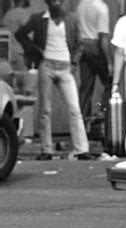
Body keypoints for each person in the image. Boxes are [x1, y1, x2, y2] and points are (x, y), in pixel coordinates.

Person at [15, 0, 92, 160]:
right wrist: (34, 52)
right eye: (53, 2)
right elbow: (20, 34)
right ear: (48, 4)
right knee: (45, 110)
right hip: (47, 65)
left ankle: (81, 149)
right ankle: (47, 149)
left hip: (65, 67)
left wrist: (73, 62)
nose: (56, 4)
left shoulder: (72, 18)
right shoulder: (38, 19)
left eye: (58, 1)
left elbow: (80, 43)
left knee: (74, 108)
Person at [76, 0, 112, 124]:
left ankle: (81, 122)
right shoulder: (101, 8)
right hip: (95, 47)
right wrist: (109, 62)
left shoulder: (81, 5)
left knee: (86, 87)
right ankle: (103, 115)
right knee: (110, 82)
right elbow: (103, 38)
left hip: (82, 47)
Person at [2, 0, 30, 71]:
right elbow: (29, 33)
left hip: (7, 51)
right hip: (19, 51)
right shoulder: (22, 13)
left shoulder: (7, 14)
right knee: (21, 76)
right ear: (22, 2)